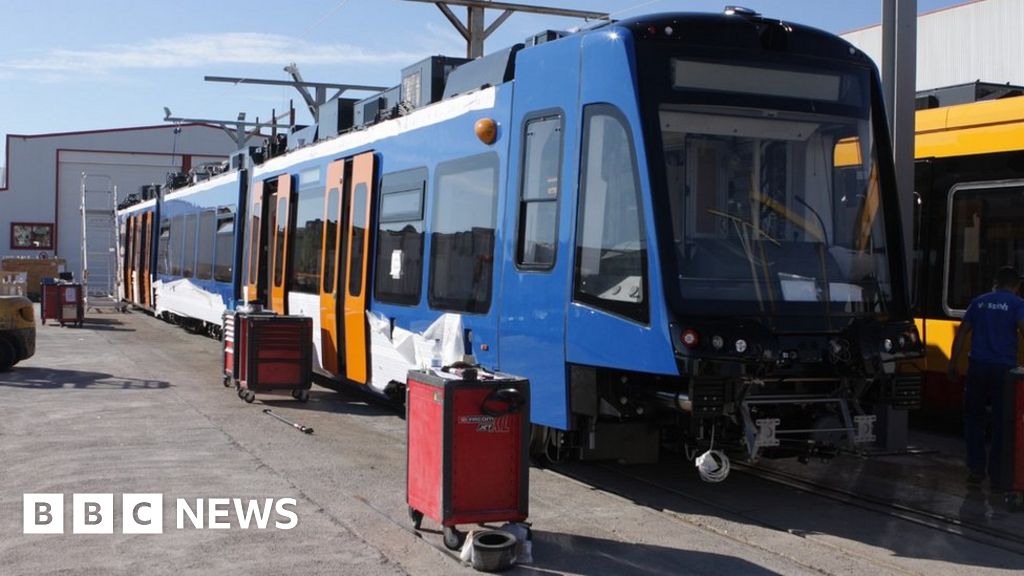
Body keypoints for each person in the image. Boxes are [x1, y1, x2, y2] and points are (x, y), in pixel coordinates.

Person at [947, 266, 1024, 487]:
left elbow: (961, 333)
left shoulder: (978, 302)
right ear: (1016, 286)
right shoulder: (1018, 304)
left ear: (996, 282)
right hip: (1004, 372)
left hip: (977, 368)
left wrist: (952, 363)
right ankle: (998, 474)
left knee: (974, 420)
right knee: (1002, 422)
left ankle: (976, 470)